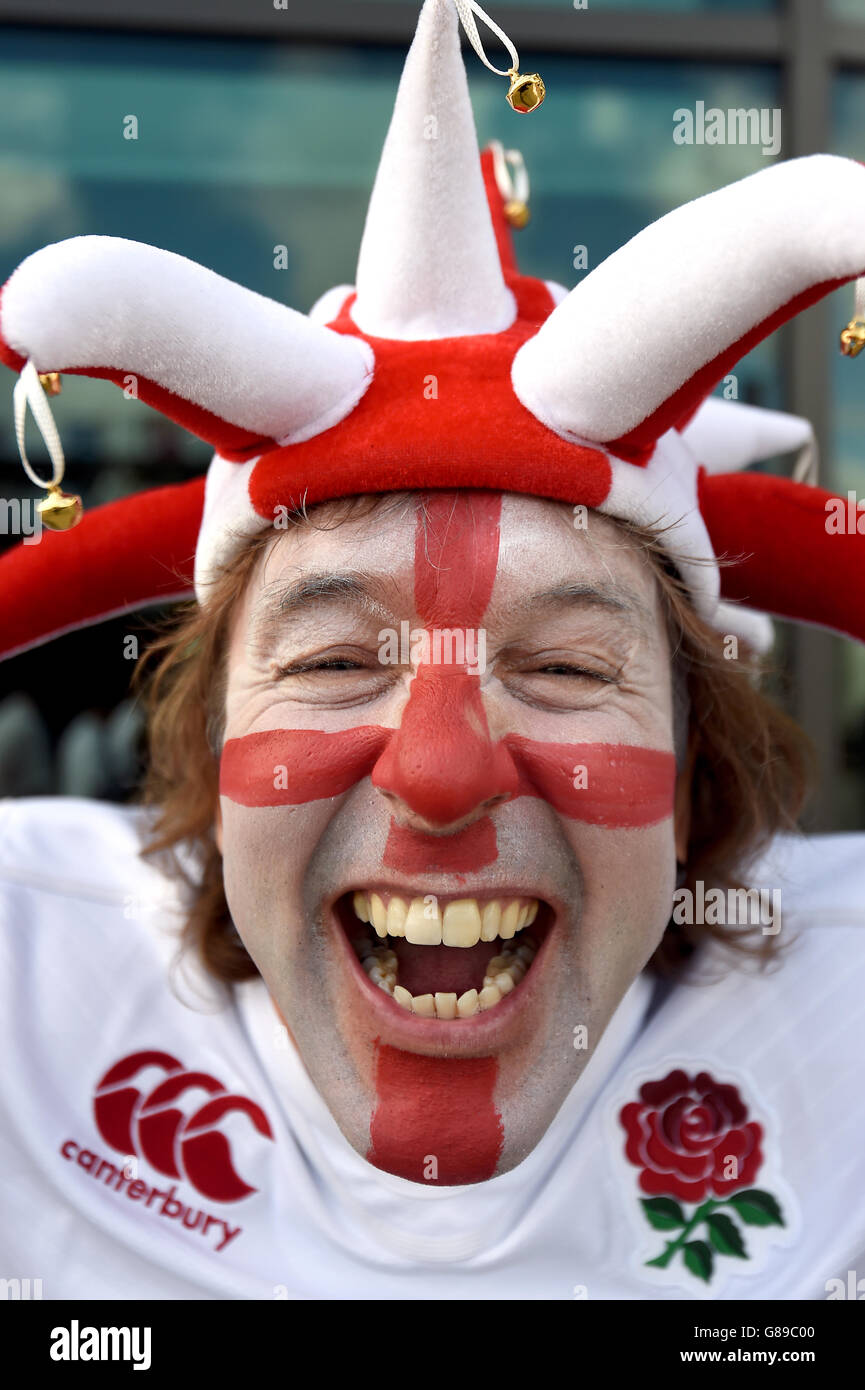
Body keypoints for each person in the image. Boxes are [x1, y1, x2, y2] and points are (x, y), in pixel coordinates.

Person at [0, 0, 863, 1300]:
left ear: (691, 771)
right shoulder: (31, 973)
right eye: (335, 661)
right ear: (210, 736)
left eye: (568, 668)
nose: (439, 769)